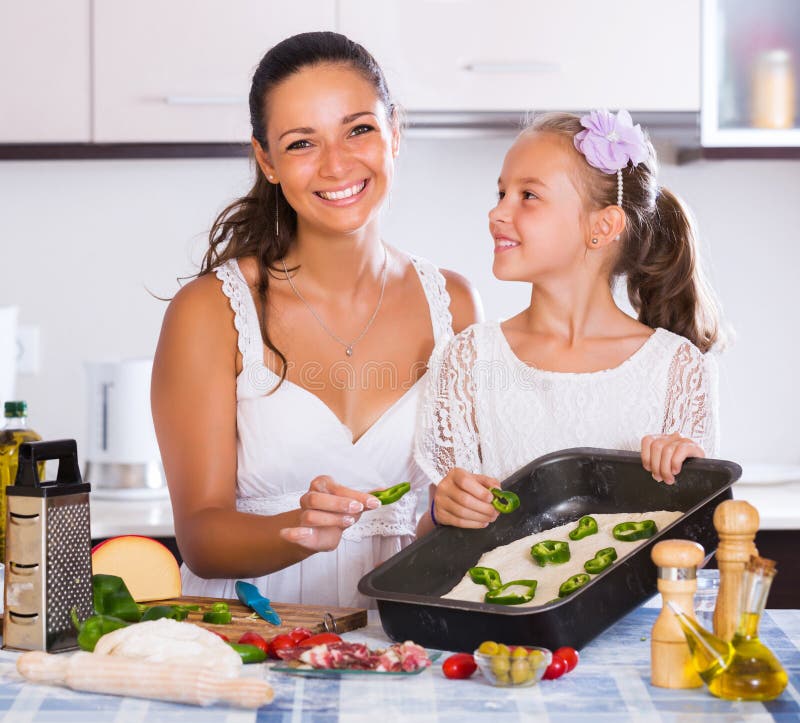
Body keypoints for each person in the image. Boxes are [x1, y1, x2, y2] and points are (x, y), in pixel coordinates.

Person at [151, 32, 481, 607]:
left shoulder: (454, 303)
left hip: (408, 638)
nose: (336, 164)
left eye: (358, 129)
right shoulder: (211, 311)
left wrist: (458, 512)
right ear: (267, 161)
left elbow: (449, 519)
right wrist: (297, 528)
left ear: (394, 132)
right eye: (302, 142)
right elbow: (201, 537)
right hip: (254, 638)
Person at [415, 110, 722, 531]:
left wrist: (690, 485)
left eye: (528, 196)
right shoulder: (466, 359)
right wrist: (442, 511)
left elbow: (690, 547)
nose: (497, 214)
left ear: (603, 225)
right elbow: (431, 542)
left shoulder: (677, 369)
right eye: (501, 193)